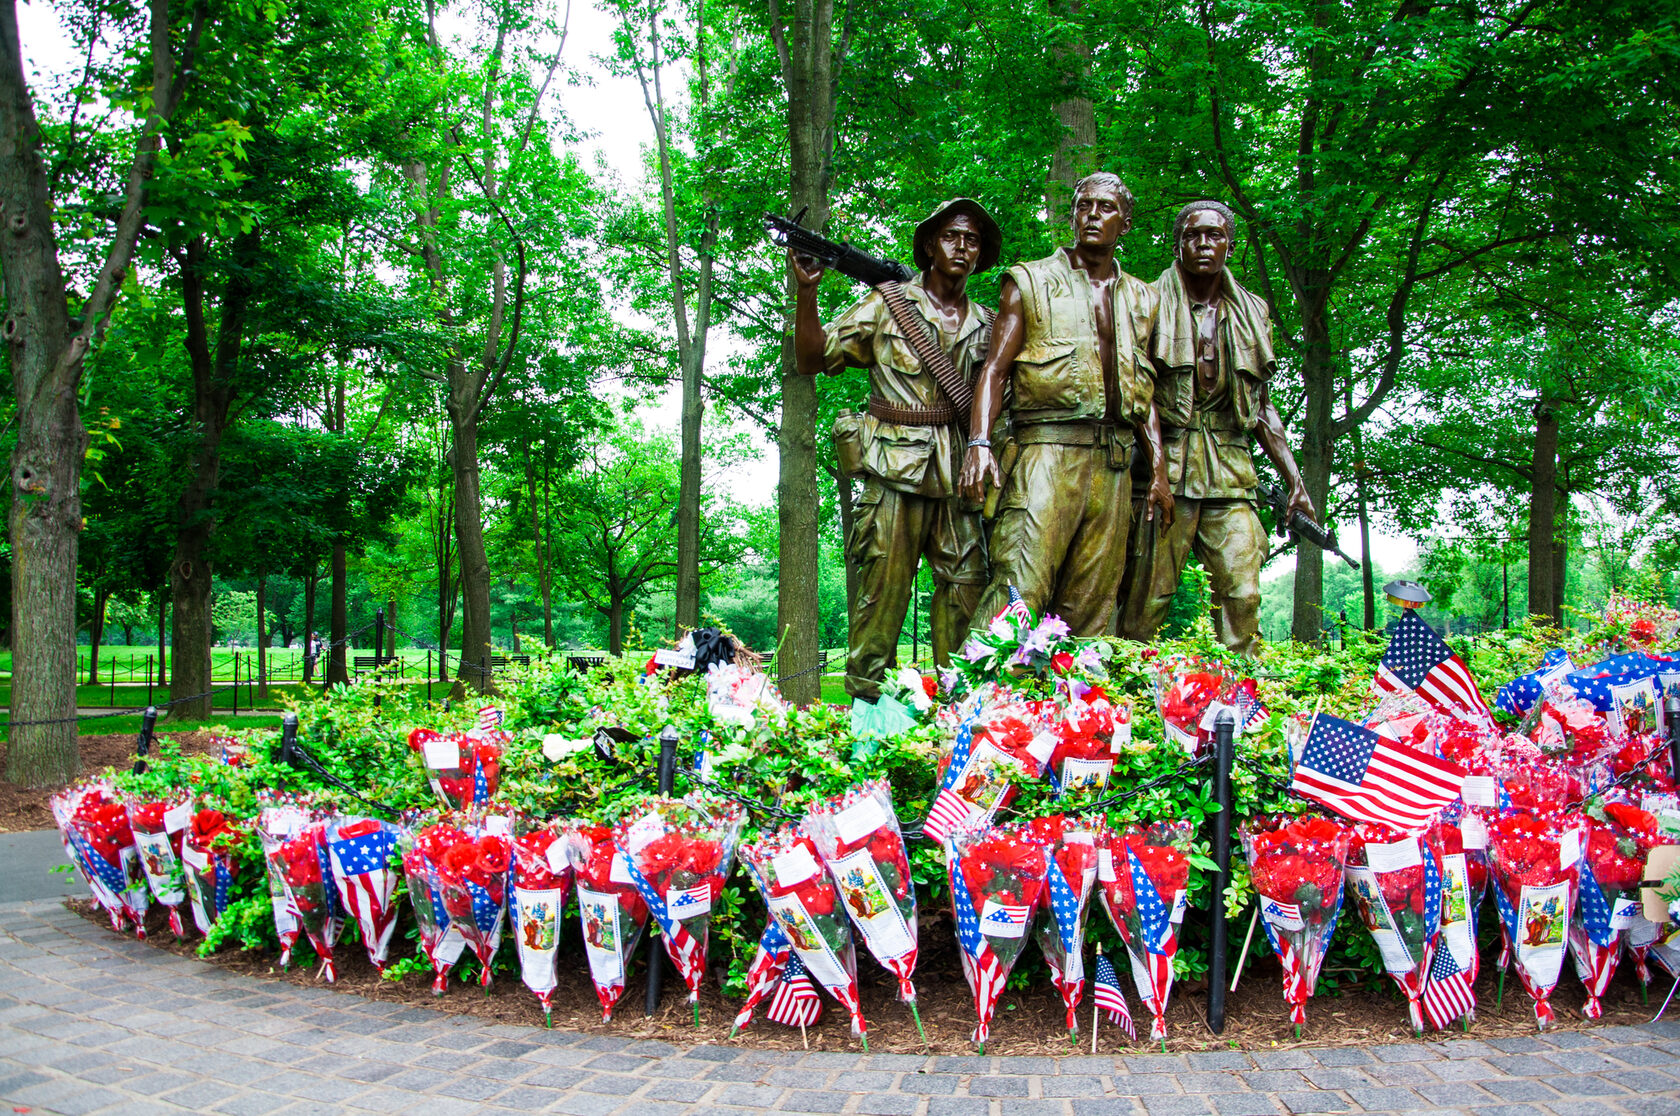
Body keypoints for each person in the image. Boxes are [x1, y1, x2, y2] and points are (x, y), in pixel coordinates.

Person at [792, 198, 1003, 701]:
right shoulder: (887, 304)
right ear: (930, 245)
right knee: (881, 598)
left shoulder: (990, 324)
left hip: (959, 476)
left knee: (967, 593)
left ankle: (960, 711)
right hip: (893, 470)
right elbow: (811, 358)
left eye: (972, 240)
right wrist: (807, 293)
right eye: (950, 236)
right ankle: (869, 719)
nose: (961, 247)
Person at [957, 172, 1172, 636]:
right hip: (1046, 453)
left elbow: (1144, 392)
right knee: (1017, 592)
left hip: (1114, 465)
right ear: (1073, 215)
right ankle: (980, 684)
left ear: (1125, 223)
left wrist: (1158, 469)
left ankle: (1077, 688)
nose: (1092, 216)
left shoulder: (1145, 298)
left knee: (1091, 608)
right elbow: (994, 370)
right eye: (1083, 206)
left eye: (1105, 208)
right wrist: (979, 443)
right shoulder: (1030, 281)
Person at [1116, 200, 1315, 654]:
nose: (1203, 244)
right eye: (1192, 235)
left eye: (1215, 235)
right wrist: (1158, 470)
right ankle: (1128, 684)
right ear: (1177, 245)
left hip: (1230, 467)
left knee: (1243, 591)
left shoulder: (1253, 311)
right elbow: (1139, 393)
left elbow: (1261, 405)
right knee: (1148, 598)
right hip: (1167, 467)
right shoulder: (1146, 302)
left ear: (1230, 245)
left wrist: (1295, 480)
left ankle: (1244, 687)